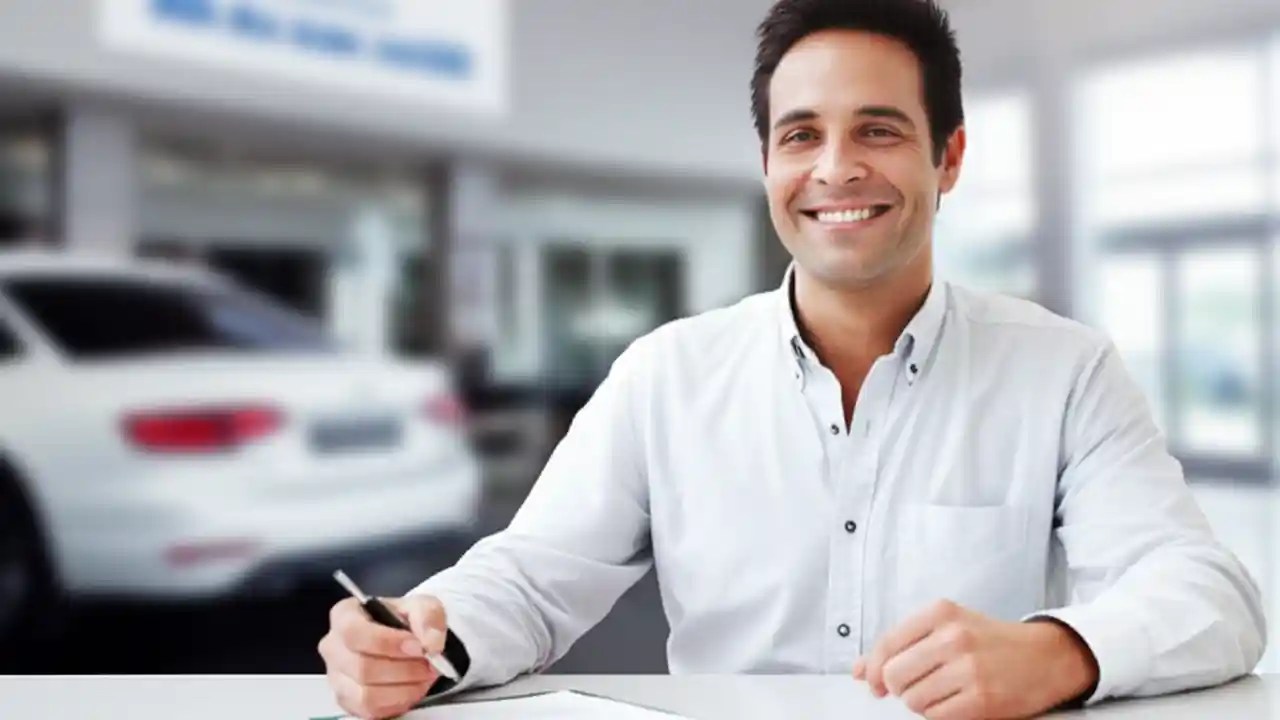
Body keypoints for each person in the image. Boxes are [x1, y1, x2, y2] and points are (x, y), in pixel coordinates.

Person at [319, 1, 1267, 717]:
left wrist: (1060, 652)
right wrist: (421, 635)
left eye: (879, 130)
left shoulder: (1064, 372)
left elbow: (1210, 595)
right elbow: (529, 579)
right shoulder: (666, 376)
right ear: (767, 162)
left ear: (949, 157)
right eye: (802, 134)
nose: (835, 168)